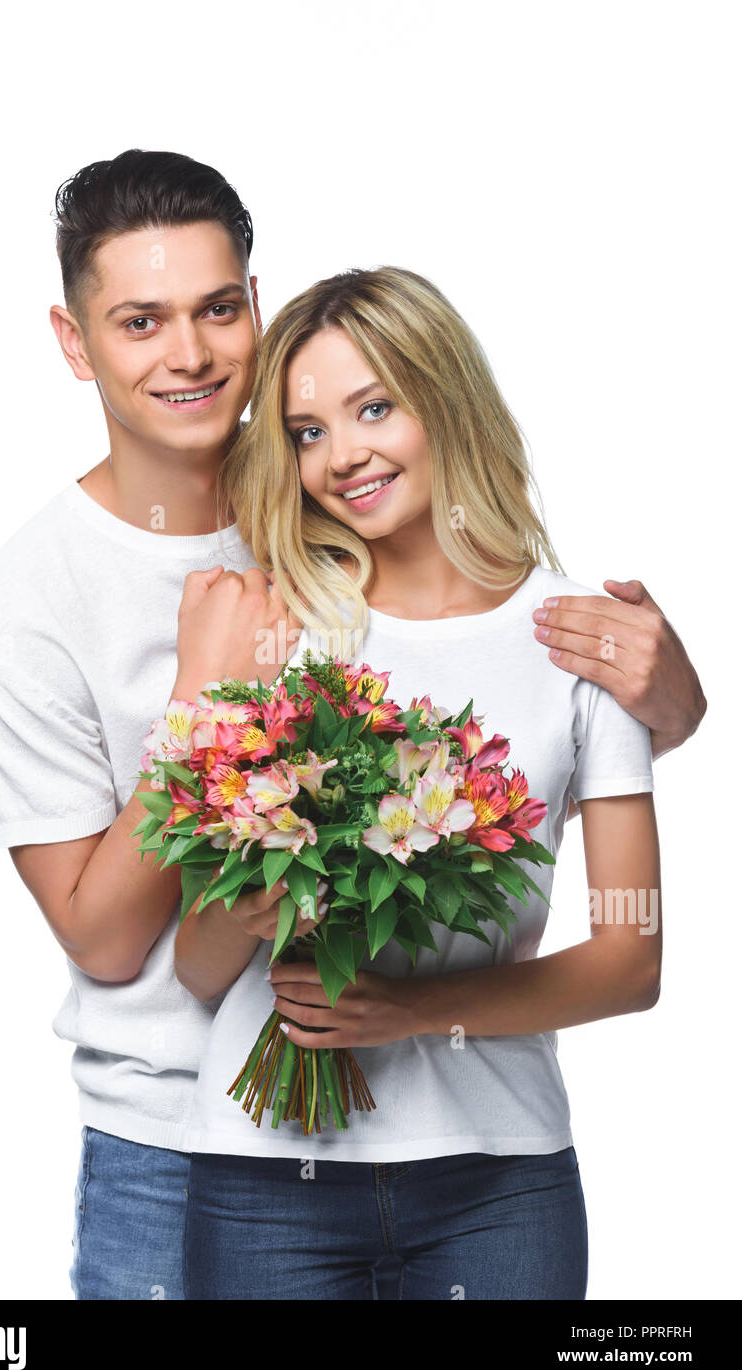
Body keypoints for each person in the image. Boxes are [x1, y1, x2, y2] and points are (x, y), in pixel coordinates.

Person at [0, 150, 705, 1301]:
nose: (188, 353)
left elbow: (548, 728)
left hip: (474, 1154)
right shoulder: (29, 610)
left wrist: (671, 693)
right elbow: (113, 942)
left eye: (214, 309)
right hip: (174, 1127)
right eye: (139, 320)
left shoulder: (328, 538)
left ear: (255, 305)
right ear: (74, 339)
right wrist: (206, 713)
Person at [172, 266, 670, 1300]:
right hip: (266, 1176)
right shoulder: (275, 628)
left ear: (446, 399)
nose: (341, 455)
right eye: (307, 431)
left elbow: (631, 957)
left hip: (500, 1181)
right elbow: (194, 962)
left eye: (374, 407)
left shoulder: (585, 643)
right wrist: (256, 902)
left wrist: (409, 1011)